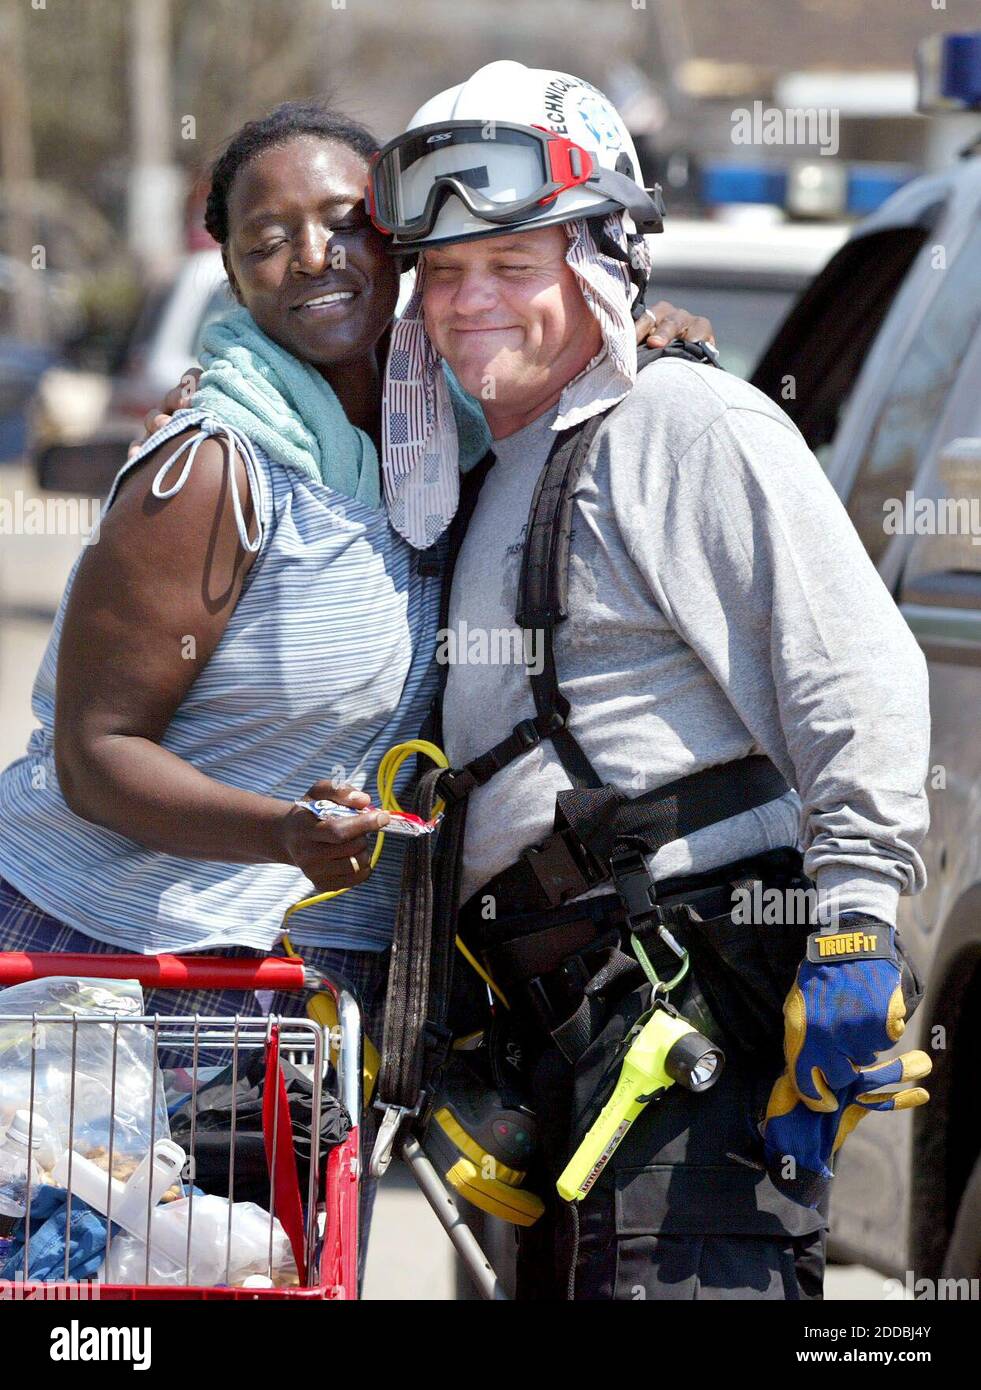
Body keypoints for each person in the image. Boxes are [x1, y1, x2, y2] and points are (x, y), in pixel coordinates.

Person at [0, 98, 711, 1275]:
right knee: (91, 1317)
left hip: (300, 1005)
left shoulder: (454, 437)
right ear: (224, 258)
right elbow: (94, 751)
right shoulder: (213, 466)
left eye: (345, 223)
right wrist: (281, 831)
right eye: (266, 235)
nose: (312, 258)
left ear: (399, 238)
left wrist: (639, 334)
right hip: (104, 987)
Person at [365, 60, 933, 1300]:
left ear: (604, 262)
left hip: (686, 1037)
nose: (469, 304)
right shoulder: (503, 452)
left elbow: (858, 677)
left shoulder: (683, 428)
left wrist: (853, 925)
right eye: (445, 273)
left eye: (512, 267)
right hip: (562, 1046)